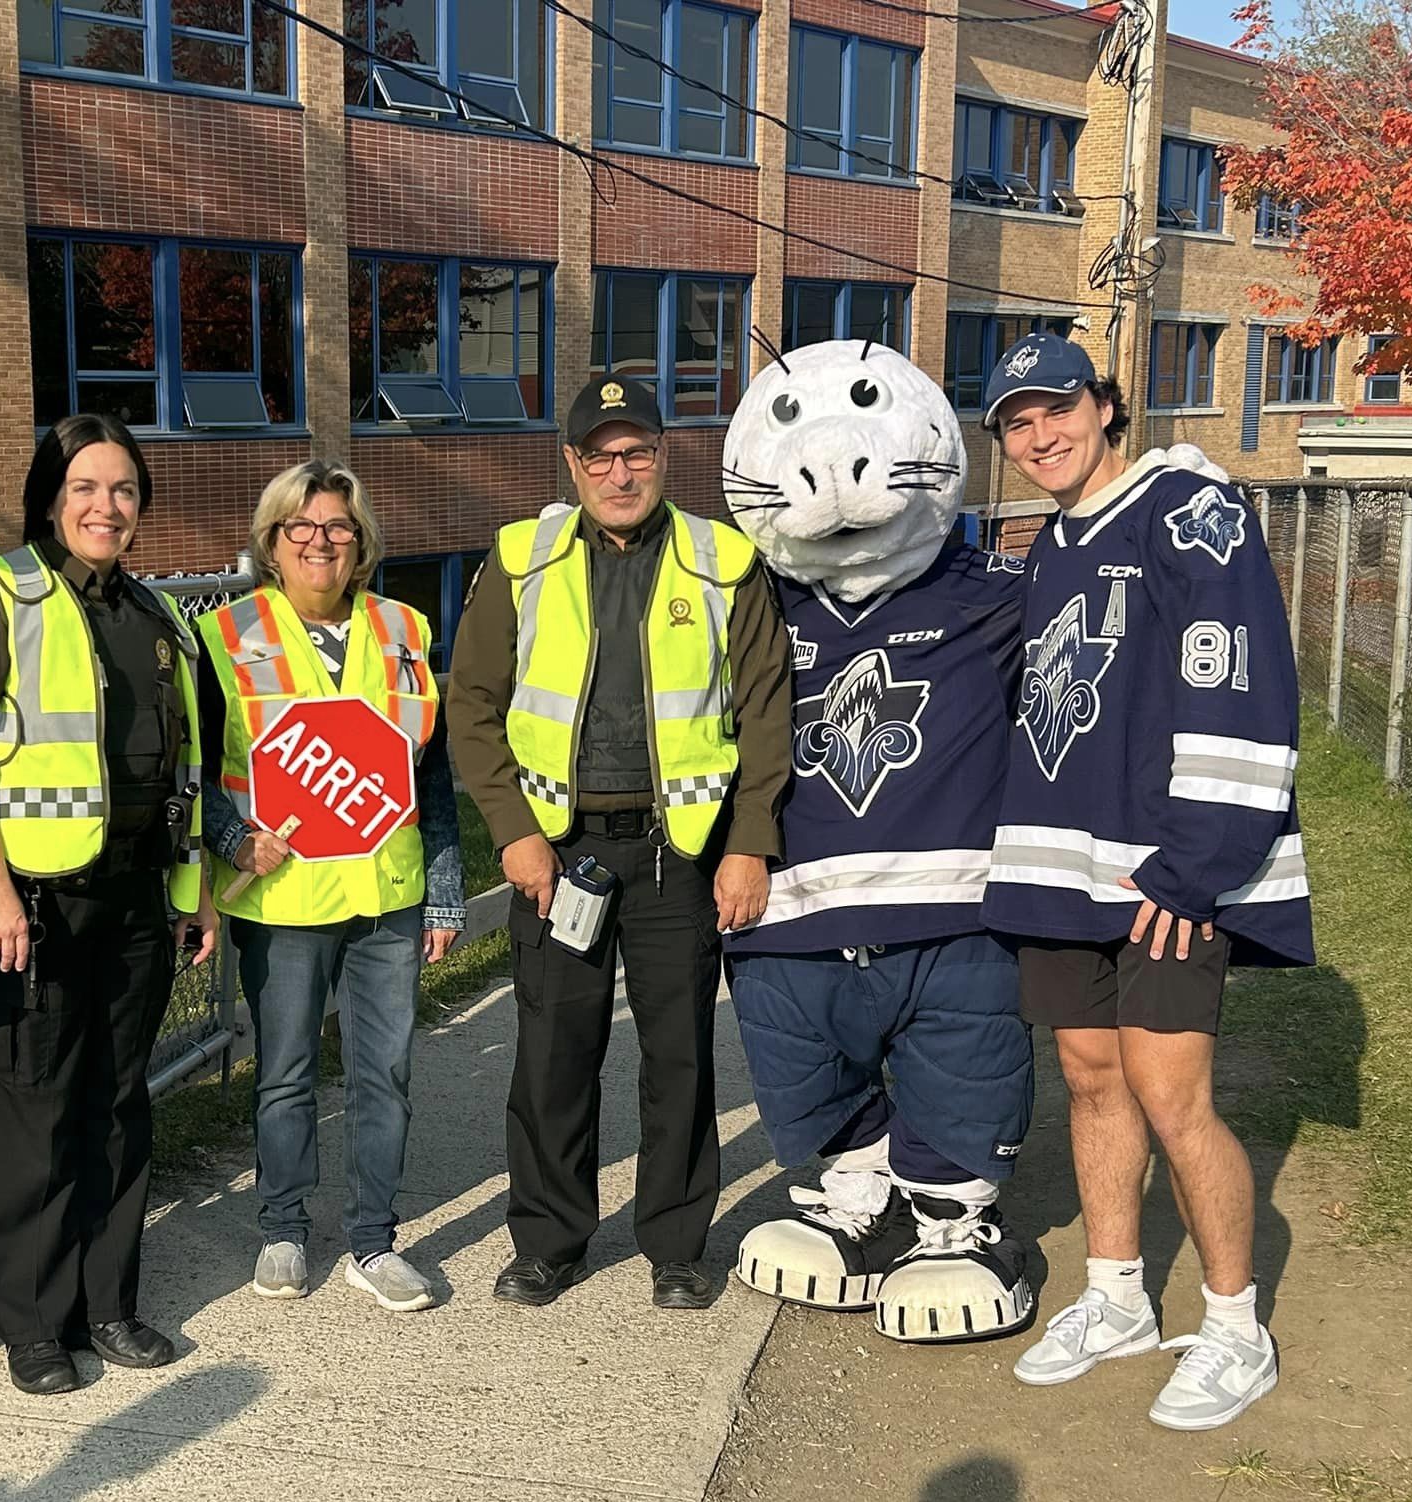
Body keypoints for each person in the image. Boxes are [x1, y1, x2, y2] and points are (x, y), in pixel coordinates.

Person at [977, 333, 1315, 1429]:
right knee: (1089, 1080)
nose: (1040, 436)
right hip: (1063, 866)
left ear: (1105, 404)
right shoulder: (1052, 540)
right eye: (1016, 423)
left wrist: (1195, 864)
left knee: (1172, 1096)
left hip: (1161, 872)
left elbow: (1238, 677)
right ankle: (1116, 1297)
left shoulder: (1187, 507)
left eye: (1057, 409)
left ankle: (1234, 1326)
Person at [717, 338, 1038, 1343]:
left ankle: (954, 1219)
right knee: (799, 1053)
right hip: (791, 902)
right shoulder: (744, 605)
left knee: (963, 1052)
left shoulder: (995, 594)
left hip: (951, 903)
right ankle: (857, 1194)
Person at [448, 376, 792, 1311]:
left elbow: (766, 715)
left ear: (664, 456)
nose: (619, 472)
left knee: (680, 1058)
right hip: (559, 855)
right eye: (599, 455)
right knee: (553, 1056)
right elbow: (471, 706)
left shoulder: (725, 561)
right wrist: (514, 834)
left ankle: (676, 1246)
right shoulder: (520, 558)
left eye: (636, 451)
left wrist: (749, 842)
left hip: (680, 852)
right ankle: (547, 1242)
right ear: (571, 464)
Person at [0, 413, 217, 1395]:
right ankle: (34, 1325)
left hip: (135, 901)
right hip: (29, 908)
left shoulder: (158, 618)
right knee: (34, 1117)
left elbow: (184, 770)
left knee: (116, 1107)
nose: (107, 506)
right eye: (85, 487)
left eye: (124, 488)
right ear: (50, 499)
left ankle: (109, 1305)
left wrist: (193, 894)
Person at [196, 460, 463, 1313]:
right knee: (285, 1072)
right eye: (300, 527)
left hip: (388, 892)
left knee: (386, 1074)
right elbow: (192, 769)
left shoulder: (405, 629)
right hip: (283, 900)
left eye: (338, 527)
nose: (320, 542)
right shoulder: (225, 635)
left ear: (362, 542)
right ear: (272, 543)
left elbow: (433, 770)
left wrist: (446, 890)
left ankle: (373, 1241)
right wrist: (231, 839)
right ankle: (282, 1229)